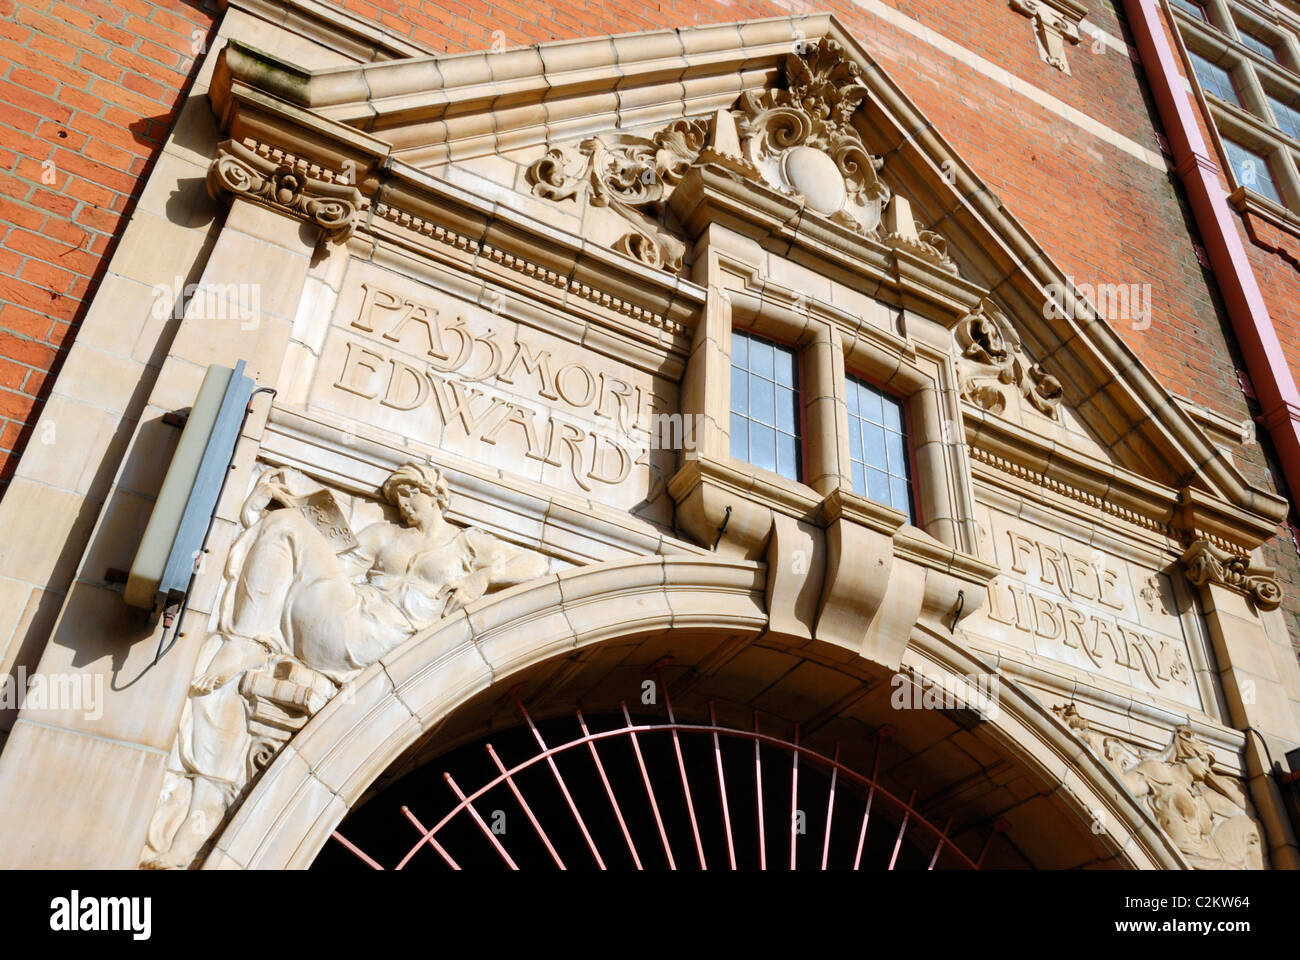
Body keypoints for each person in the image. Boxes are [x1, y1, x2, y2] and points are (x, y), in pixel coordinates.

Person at [142, 461, 549, 868]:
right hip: (348, 618)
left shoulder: (468, 544)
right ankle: (249, 642)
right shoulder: (385, 535)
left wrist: (482, 577)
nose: (404, 504)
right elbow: (337, 563)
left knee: (287, 532)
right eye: (398, 497)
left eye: (411, 494)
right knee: (285, 524)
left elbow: (538, 566)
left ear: (435, 494)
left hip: (390, 642)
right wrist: (276, 503)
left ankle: (249, 644)